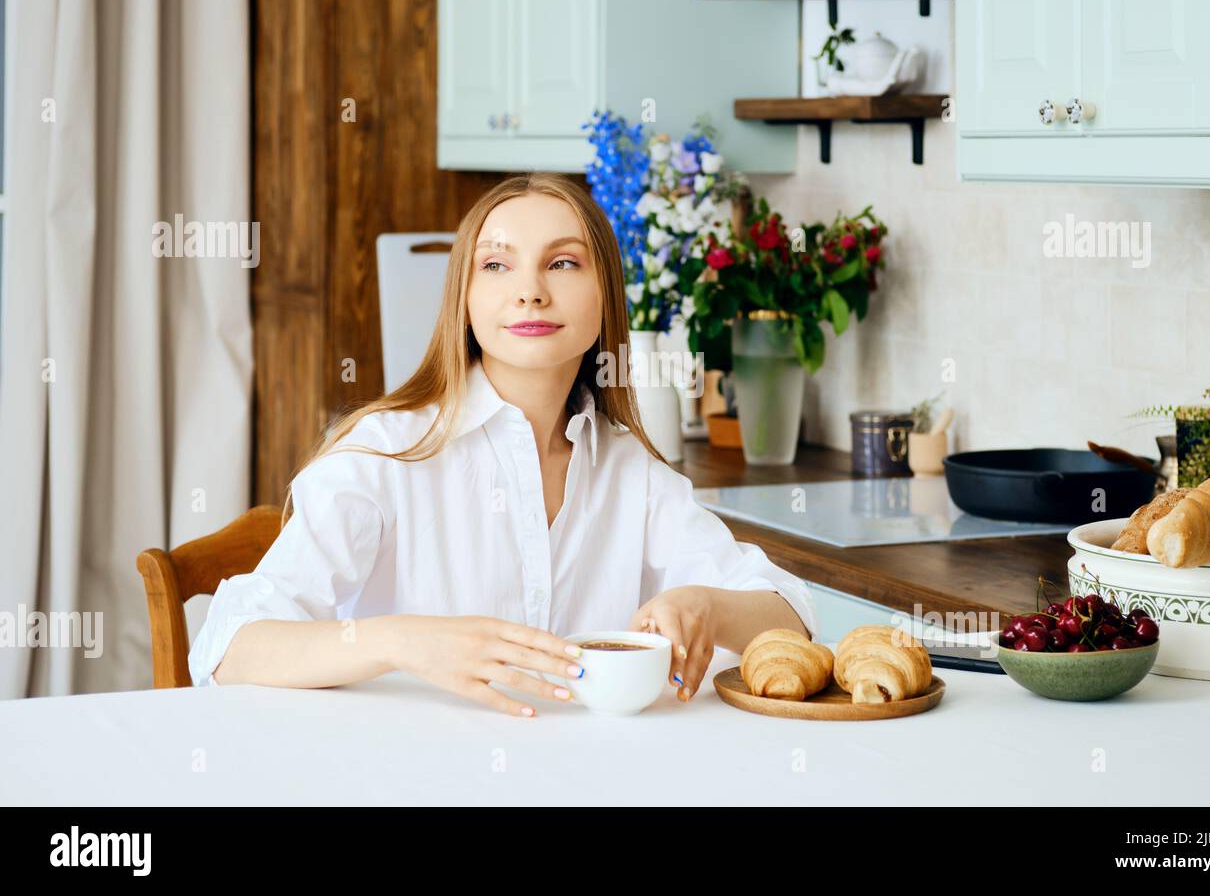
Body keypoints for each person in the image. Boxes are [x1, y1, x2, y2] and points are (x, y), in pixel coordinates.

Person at [189, 172, 818, 715]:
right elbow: (228, 646)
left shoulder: (631, 468)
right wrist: (404, 641)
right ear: (463, 301)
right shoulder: (382, 454)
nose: (530, 290)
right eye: (496, 264)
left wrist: (705, 603)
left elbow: (793, 617)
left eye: (563, 262)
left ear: (607, 298)